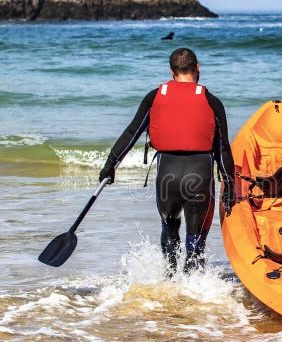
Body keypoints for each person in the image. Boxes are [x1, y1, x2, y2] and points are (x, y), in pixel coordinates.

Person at [99, 47, 235, 274]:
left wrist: (110, 165)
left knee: (170, 230)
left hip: (167, 179)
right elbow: (223, 149)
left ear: (172, 72)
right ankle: (194, 285)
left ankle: (169, 280)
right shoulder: (212, 101)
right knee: (195, 242)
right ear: (197, 68)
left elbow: (131, 133)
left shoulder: (154, 97)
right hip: (199, 177)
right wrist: (229, 184)